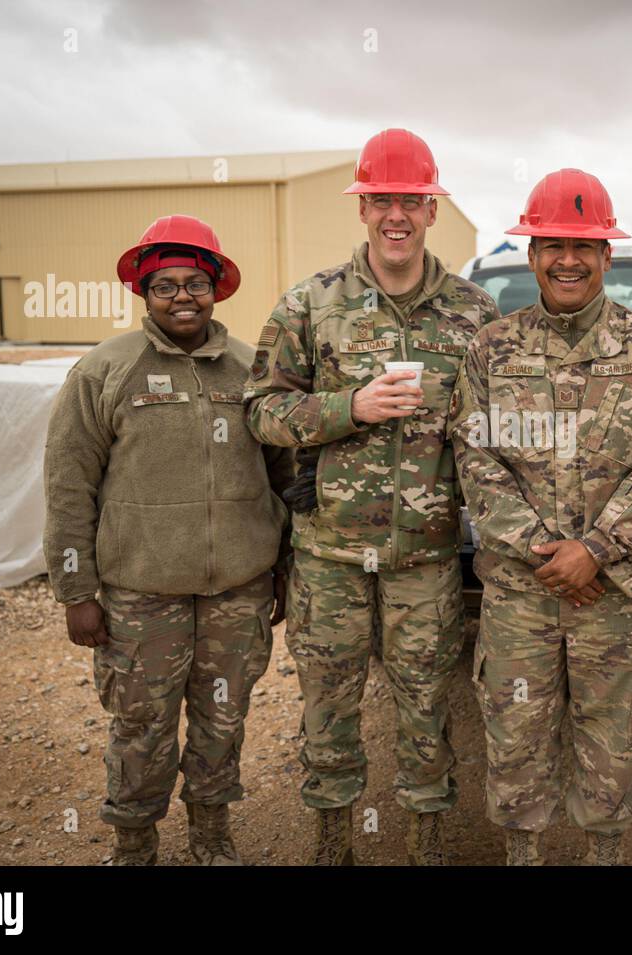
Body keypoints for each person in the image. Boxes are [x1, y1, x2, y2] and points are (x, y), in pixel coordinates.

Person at [244, 129, 500, 865]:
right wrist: (346, 408)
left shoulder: (473, 314)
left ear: (431, 209)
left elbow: (490, 433)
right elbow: (260, 410)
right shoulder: (311, 304)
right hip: (328, 555)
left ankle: (426, 850)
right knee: (328, 712)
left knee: (426, 713)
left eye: (410, 201)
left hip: (424, 559)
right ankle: (333, 851)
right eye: (381, 199)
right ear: (363, 208)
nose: (397, 214)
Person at [450, 168, 632, 865]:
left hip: (613, 591)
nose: (568, 258)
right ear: (530, 254)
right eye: (552, 244)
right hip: (520, 592)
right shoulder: (490, 351)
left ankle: (605, 854)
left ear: (606, 255)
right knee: (515, 729)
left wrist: (596, 548)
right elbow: (474, 459)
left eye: (584, 246)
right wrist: (548, 554)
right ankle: (523, 854)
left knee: (614, 730)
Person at [44, 214, 292, 865]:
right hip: (139, 595)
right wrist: (75, 590)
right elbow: (69, 486)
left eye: (195, 283)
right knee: (140, 726)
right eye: (166, 286)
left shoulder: (252, 371)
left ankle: (212, 834)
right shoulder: (106, 371)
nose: (182, 297)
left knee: (222, 719)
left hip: (236, 591)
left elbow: (285, 475)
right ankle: (134, 844)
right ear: (143, 293)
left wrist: (284, 566)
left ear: (217, 289)